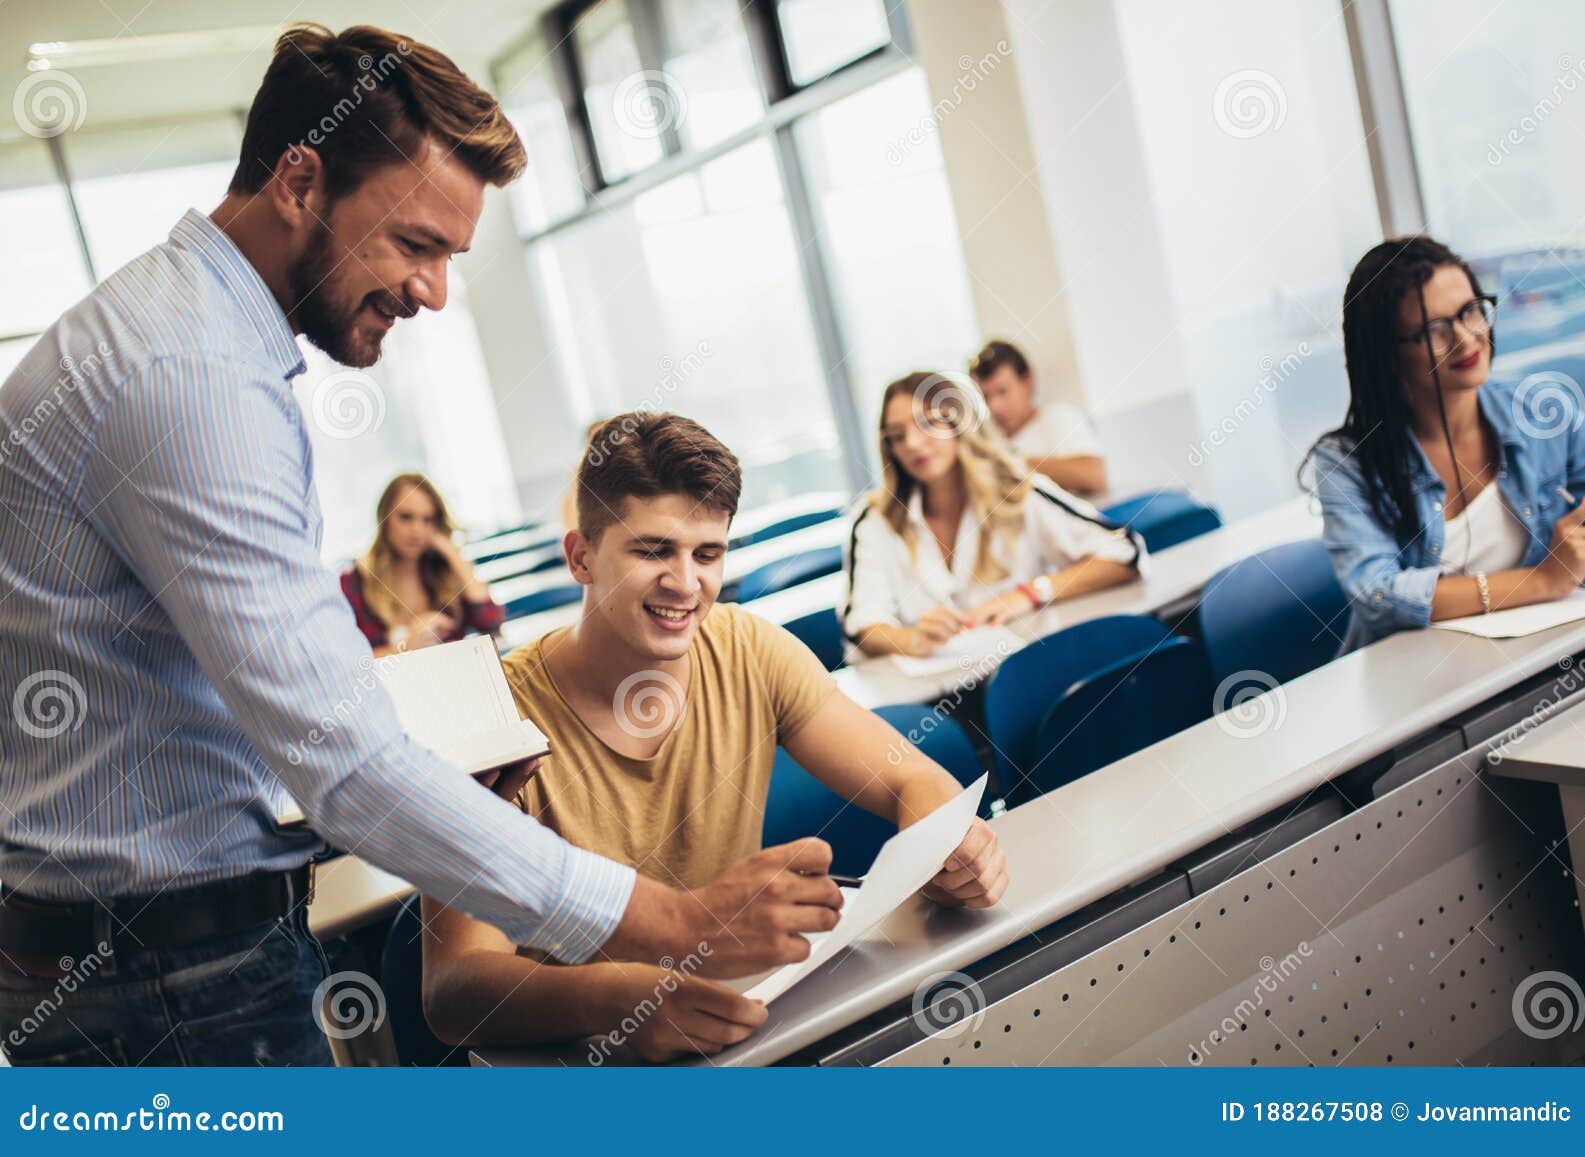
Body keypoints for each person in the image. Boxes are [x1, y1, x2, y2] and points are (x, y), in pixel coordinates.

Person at [0, 24, 836, 1068]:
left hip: (146, 961)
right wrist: (672, 922)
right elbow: (342, 760)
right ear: (300, 181)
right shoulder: (190, 378)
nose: (435, 291)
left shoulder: (190, 342)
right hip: (164, 983)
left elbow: (230, 692)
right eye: (416, 245)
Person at [421, 412, 1008, 1062]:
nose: (685, 583)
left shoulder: (747, 646)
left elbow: (911, 775)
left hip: (728, 1040)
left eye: (707, 553)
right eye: (652, 550)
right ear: (580, 555)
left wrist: (945, 850)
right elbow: (453, 990)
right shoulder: (493, 716)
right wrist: (615, 1000)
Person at [1307, 236, 1585, 654]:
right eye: (1435, 330)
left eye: (1471, 312)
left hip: (1539, 654)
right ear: (1388, 353)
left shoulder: (1539, 411)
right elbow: (1380, 596)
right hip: (1417, 679)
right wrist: (1541, 579)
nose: (1467, 340)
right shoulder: (1348, 462)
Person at [842, 372, 1141, 660]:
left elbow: (1125, 551)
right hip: (935, 694)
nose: (913, 444)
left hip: (1029, 670)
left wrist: (1029, 594)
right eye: (897, 436)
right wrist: (911, 639)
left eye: (928, 424)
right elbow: (862, 622)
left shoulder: (1018, 492)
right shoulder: (873, 520)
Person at [341, 472, 504, 655]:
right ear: (384, 518)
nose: (416, 530)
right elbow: (350, 663)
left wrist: (452, 553)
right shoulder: (354, 583)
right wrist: (406, 646)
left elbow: (491, 624)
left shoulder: (443, 573)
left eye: (427, 520)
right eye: (405, 517)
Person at [969, 339, 1107, 495]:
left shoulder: (1059, 417)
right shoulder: (983, 439)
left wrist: (1009, 463)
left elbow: (1093, 476)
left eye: (1002, 391)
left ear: (1028, 382)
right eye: (986, 396)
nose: (995, 406)